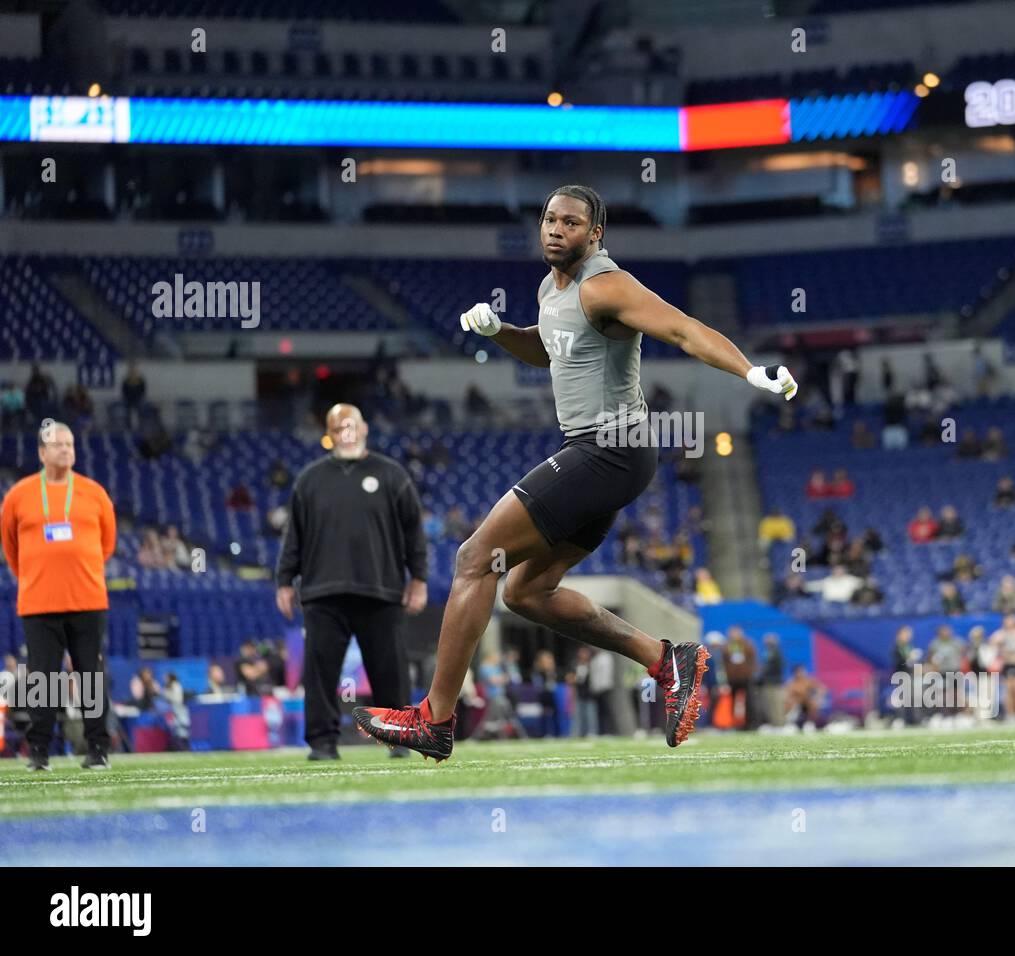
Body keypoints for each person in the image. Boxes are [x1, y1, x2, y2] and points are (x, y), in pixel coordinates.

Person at [353, 185, 798, 761]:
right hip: (607, 452)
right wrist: (500, 334)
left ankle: (433, 719)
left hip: (611, 447)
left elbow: (683, 328)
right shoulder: (551, 287)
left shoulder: (605, 285)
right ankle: (666, 660)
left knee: (474, 559)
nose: (555, 228)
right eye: (548, 219)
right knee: (526, 591)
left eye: (570, 221)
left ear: (595, 235)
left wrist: (749, 372)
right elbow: (549, 350)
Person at [275, 404, 427, 761]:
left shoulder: (392, 475)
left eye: (352, 424)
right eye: (339, 425)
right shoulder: (309, 480)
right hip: (322, 593)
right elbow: (293, 536)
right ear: (329, 432)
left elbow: (413, 532)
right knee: (320, 672)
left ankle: (399, 740)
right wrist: (284, 580)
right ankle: (323, 743)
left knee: (389, 670)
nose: (347, 431)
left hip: (381, 589)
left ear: (365, 429)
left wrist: (418, 579)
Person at [0, 421, 116, 771]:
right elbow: (10, 547)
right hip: (39, 603)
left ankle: (97, 749)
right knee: (43, 679)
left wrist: (79, 567)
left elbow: (106, 545)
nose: (66, 450)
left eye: (70, 444)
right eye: (58, 445)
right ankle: (39, 752)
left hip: (87, 600)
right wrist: (38, 575)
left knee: (89, 676)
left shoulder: (94, 492)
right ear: (41, 452)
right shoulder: (19, 495)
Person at [757, 634, 785, 727]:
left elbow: (771, 667)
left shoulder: (775, 652)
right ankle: (774, 724)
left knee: (776, 704)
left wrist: (762, 675)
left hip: (773, 682)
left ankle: (779, 724)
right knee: (770, 705)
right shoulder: (768, 651)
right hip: (768, 682)